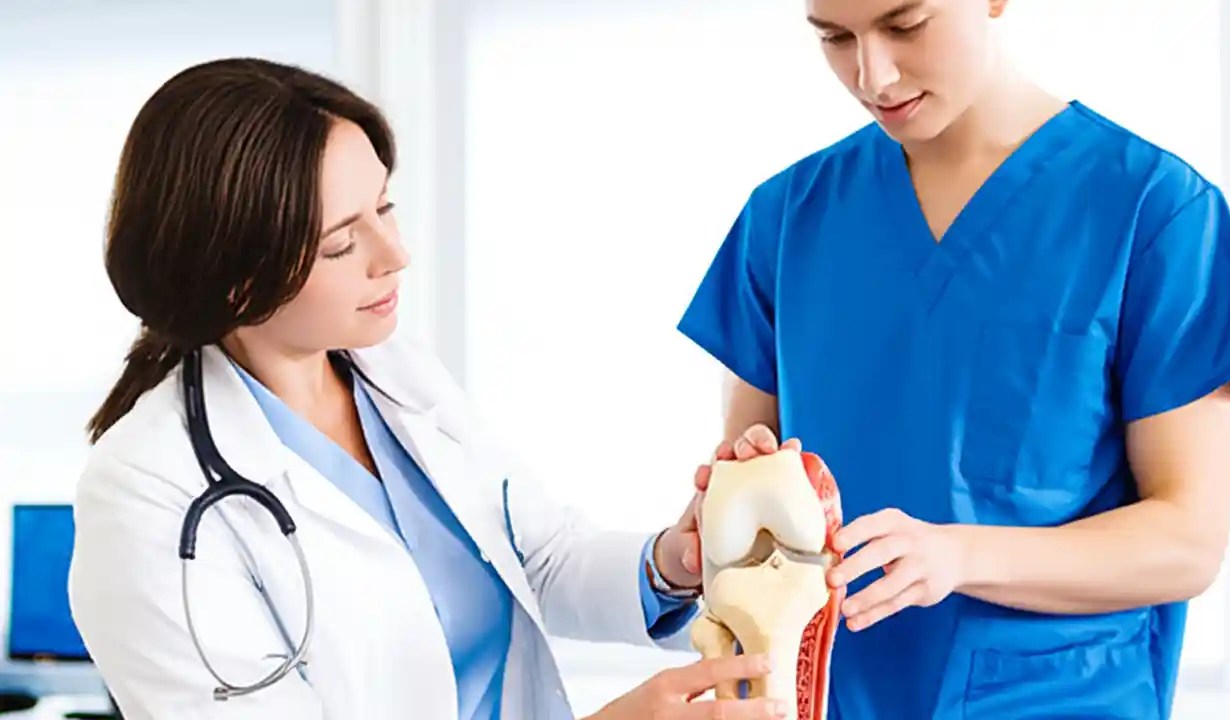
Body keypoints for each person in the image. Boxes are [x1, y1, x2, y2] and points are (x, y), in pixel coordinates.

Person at [67, 57, 787, 720]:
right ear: (238, 280)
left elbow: (537, 555)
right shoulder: (147, 498)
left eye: (384, 208)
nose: (395, 255)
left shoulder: (391, 372)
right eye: (342, 243)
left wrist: (672, 559)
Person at [675, 0, 1230, 718]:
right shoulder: (785, 220)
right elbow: (751, 526)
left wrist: (961, 557)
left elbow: (1186, 542)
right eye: (835, 37)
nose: (874, 74)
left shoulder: (1154, 211)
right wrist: (735, 501)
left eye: (905, 25)